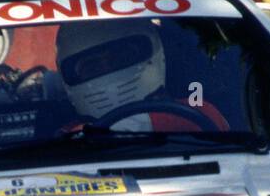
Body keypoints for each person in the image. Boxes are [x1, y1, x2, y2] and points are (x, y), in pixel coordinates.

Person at [53, 20, 229, 132]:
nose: (109, 72)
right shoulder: (70, 136)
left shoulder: (197, 111)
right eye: (92, 66)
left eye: (121, 58)